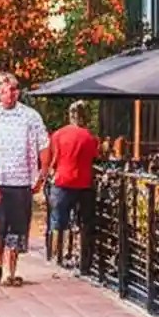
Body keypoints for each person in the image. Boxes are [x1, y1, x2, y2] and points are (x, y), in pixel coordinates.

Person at [0, 72, 51, 287]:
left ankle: (12, 270)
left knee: (18, 228)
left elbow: (44, 145)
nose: (8, 95)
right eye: (3, 91)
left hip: (22, 182)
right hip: (0, 181)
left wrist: (42, 174)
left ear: (17, 91)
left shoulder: (31, 117)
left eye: (11, 90)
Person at [47, 101, 99, 275]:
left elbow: (53, 159)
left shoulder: (58, 135)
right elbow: (94, 158)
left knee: (57, 221)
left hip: (62, 181)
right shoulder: (90, 137)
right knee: (85, 223)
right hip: (84, 183)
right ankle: (84, 263)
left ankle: (57, 257)